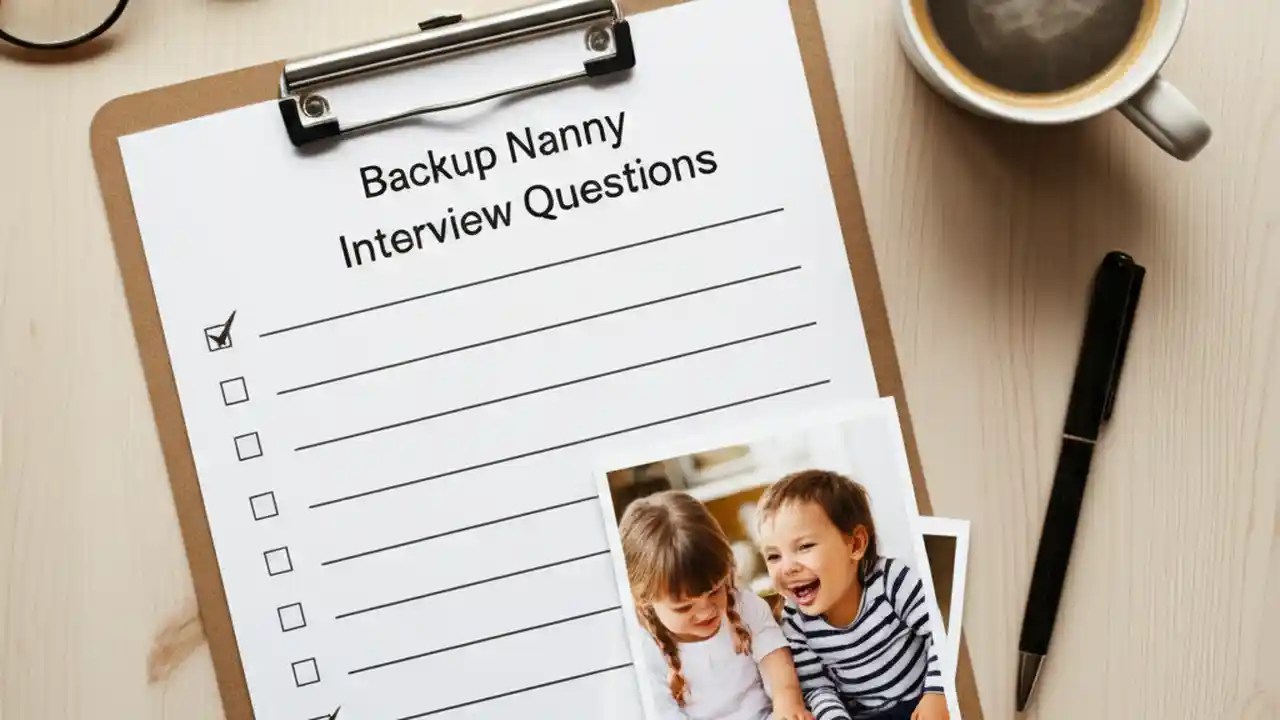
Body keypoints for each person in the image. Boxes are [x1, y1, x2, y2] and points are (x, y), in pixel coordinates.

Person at [755, 470, 949, 720]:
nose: (787, 567)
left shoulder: (892, 581)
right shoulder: (795, 620)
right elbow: (817, 687)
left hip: (923, 699)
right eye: (773, 556)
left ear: (855, 545)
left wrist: (938, 692)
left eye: (804, 547)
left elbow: (942, 630)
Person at [619, 490, 812, 720]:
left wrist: (787, 705)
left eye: (715, 591)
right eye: (684, 607)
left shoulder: (745, 606)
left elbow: (777, 664)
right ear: (644, 599)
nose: (707, 610)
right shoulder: (645, 648)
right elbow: (662, 712)